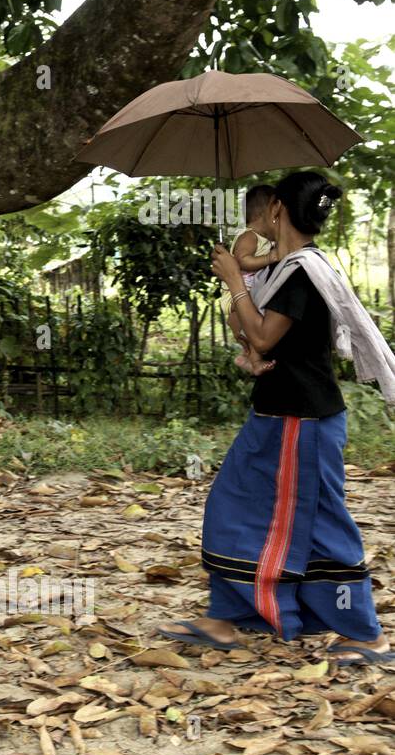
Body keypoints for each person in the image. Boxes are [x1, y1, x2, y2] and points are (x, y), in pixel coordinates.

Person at [158, 171, 392, 666]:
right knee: (234, 504)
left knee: (323, 520)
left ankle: (365, 632)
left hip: (302, 420)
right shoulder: (286, 267)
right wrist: (239, 286)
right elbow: (253, 332)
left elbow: (264, 337)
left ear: (279, 210)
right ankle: (225, 617)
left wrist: (231, 282)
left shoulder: (304, 272)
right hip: (278, 411)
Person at [219, 184, 279, 376]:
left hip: (247, 290)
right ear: (268, 213)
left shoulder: (264, 239)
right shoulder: (249, 236)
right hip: (236, 293)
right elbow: (241, 261)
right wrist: (269, 258)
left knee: (252, 326)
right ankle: (254, 361)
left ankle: (248, 357)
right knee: (253, 324)